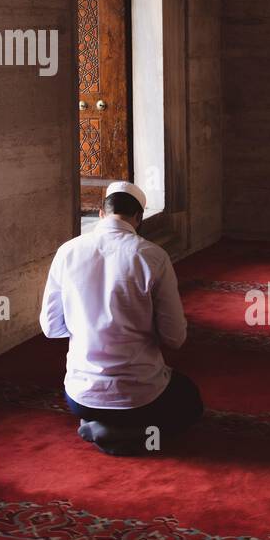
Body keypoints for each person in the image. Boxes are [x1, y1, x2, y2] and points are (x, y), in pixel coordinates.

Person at [39, 180, 203, 456]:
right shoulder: (152, 256)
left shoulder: (67, 252)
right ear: (138, 219)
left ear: (102, 213)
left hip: (80, 397)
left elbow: (51, 328)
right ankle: (124, 433)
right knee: (190, 404)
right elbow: (175, 338)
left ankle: (101, 423)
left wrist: (90, 326)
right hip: (140, 397)